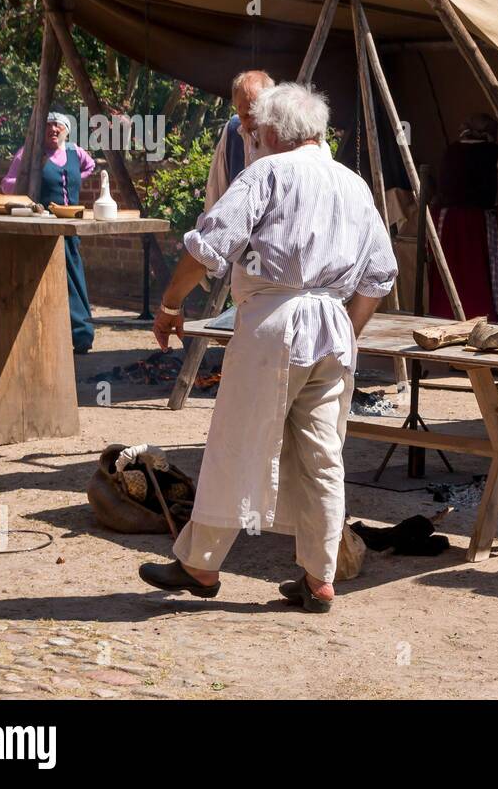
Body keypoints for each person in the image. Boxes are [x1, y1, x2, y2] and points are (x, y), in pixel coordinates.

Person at [139, 82, 397, 612]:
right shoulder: (354, 185)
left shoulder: (267, 173)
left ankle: (199, 567)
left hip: (273, 323)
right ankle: (319, 577)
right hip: (332, 328)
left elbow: (209, 243)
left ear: (274, 132)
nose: (252, 140)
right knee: (322, 456)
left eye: (256, 132)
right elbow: (379, 274)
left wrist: (169, 304)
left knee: (237, 442)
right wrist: (346, 328)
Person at [2, 111, 97, 353]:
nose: (53, 130)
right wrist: (31, 179)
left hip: (71, 226)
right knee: (49, 280)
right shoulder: (30, 154)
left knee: (74, 277)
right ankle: (56, 334)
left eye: (58, 126)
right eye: (48, 126)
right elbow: (8, 184)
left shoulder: (76, 152)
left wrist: (76, 179)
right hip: (43, 227)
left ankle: (82, 334)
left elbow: (90, 166)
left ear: (66, 130)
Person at [428, 113, 498, 320]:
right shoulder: (494, 153)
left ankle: (446, 313)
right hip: (475, 221)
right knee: (478, 269)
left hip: (445, 219)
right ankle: (481, 314)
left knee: (449, 269)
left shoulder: (450, 151)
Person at [203, 70, 275, 210]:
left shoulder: (285, 137)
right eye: (242, 115)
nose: (247, 123)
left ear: (269, 106)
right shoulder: (233, 130)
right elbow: (216, 189)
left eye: (251, 114)